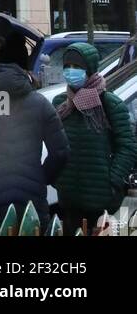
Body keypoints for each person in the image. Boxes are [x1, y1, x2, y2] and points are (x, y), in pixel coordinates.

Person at [0, 34, 69, 235]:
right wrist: (41, 177)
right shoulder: (40, 103)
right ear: (24, 68)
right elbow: (60, 152)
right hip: (32, 203)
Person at [52, 42, 137, 236]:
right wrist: (58, 178)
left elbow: (128, 146)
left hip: (102, 199)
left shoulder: (109, 104)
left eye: (77, 67)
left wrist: (112, 181)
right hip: (69, 197)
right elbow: (55, 145)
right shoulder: (61, 104)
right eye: (67, 67)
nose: (71, 72)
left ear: (89, 69)